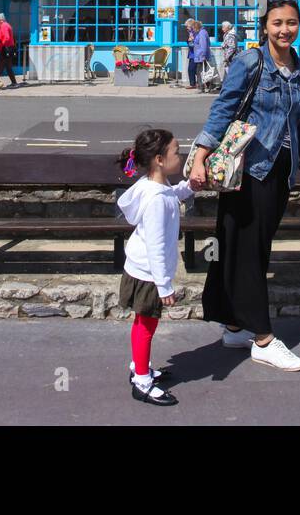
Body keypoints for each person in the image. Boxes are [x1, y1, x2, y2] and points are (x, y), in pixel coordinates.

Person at [189, 0, 300, 371]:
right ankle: (263, 338)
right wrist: (201, 153)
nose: (285, 30)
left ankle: (234, 325)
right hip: (248, 171)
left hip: (281, 174)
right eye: (278, 23)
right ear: (265, 26)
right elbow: (223, 107)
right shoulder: (251, 62)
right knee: (248, 250)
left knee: (250, 248)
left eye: (292, 23)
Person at [116, 128, 195, 407]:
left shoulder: (151, 186)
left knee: (141, 323)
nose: (181, 155)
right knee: (146, 326)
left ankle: (139, 366)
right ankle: (142, 381)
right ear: (160, 159)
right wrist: (164, 285)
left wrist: (190, 186)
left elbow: (170, 194)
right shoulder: (157, 201)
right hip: (149, 274)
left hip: (139, 268)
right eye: (176, 151)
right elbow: (157, 246)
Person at [0, 13, 20, 89]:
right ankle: (14, 83)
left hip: (6, 49)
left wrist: (1, 45)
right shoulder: (6, 25)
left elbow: (6, 38)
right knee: (8, 67)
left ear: (0, 20)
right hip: (8, 48)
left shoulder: (4, 26)